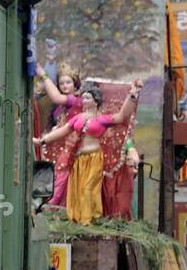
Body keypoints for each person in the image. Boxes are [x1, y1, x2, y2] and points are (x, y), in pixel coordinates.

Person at [35, 81, 143, 224]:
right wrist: (43, 141)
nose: (84, 100)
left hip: (94, 159)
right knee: (77, 189)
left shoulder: (102, 119)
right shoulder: (78, 118)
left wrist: (132, 95)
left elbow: (122, 116)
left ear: (95, 100)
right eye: (83, 97)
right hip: (78, 159)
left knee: (88, 189)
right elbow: (63, 130)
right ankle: (77, 219)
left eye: (87, 98)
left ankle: (89, 219)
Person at [35, 62, 84, 206]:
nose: (65, 86)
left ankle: (53, 204)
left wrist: (43, 75)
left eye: (68, 82)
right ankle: (50, 203)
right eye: (62, 83)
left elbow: (56, 97)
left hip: (69, 147)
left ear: (75, 84)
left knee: (61, 173)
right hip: (58, 144)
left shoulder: (75, 100)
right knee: (55, 173)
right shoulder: (61, 106)